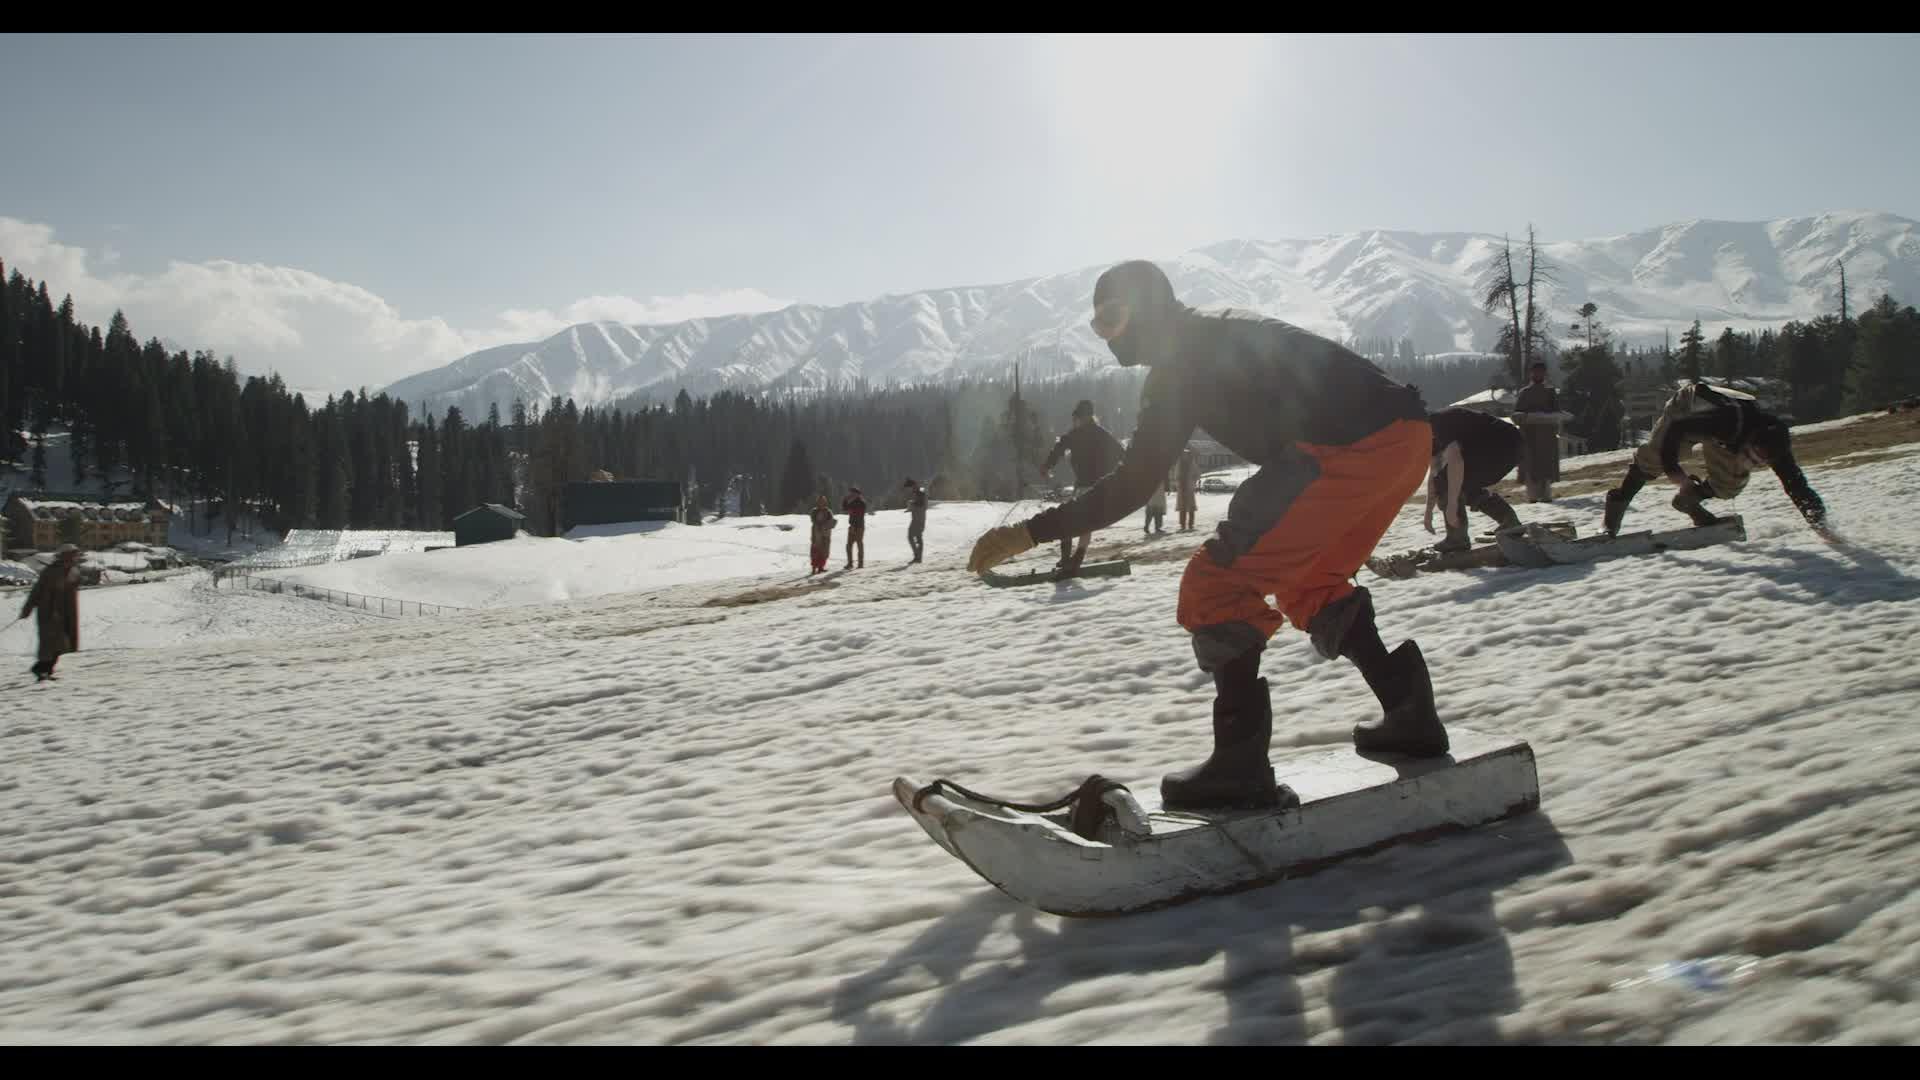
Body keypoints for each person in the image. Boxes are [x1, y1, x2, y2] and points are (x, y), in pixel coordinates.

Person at [967, 260, 1442, 812]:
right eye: (1099, 326)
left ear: (1146, 309)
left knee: (1214, 584)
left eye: (1115, 318)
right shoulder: (1203, 337)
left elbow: (1133, 484)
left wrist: (1029, 532)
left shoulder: (1180, 364)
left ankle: (1239, 767)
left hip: (1349, 445)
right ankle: (1408, 710)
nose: (1110, 336)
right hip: (1405, 436)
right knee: (1310, 582)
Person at [1602, 381, 1829, 539]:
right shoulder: (1724, 422)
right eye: (1749, 456)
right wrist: (1678, 477)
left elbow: (1798, 487)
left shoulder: (1776, 448)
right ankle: (1616, 509)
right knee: (1654, 458)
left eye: (1757, 462)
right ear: (1748, 441)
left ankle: (1688, 501)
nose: (1749, 462)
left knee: (1729, 485)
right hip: (1689, 408)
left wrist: (1821, 525)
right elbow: (1676, 432)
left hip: (1729, 428)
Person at [1424, 407, 1524, 552]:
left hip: (1501, 445)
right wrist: (1428, 512)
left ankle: (1457, 539)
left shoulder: (1438, 422)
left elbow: (1455, 462)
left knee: (1451, 482)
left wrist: (1451, 506)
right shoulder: (1429, 433)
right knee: (1461, 484)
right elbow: (1434, 472)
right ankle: (1510, 522)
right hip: (1511, 446)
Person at [1040, 399, 1123, 572]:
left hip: (1089, 487)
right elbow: (1121, 453)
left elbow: (1058, 448)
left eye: (1076, 418)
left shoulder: (1076, 435)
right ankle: (1073, 559)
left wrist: (1047, 467)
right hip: (1096, 487)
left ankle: (1069, 560)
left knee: (1073, 521)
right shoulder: (1101, 434)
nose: (1074, 421)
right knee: (1084, 523)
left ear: (1083, 417)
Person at [21, 545, 81, 682]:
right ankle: (41, 670)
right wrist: (27, 609)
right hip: (49, 612)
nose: (74, 558)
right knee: (49, 644)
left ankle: (46, 670)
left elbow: (74, 588)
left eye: (75, 555)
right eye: (71, 555)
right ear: (63, 556)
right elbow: (36, 591)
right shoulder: (50, 572)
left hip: (66, 613)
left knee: (63, 644)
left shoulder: (74, 571)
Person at [1512, 361, 1562, 502]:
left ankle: (1546, 495)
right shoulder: (1525, 393)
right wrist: (1525, 417)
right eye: (1535, 372)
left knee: (1546, 466)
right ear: (1531, 373)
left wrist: (1549, 418)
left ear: (1544, 373)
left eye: (1541, 371)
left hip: (1546, 436)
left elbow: (1557, 412)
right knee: (1530, 466)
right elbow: (1516, 414)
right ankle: (1532, 496)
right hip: (1529, 436)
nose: (1538, 374)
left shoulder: (1550, 392)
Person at [842, 486, 870, 569]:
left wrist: (854, 526)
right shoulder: (852, 502)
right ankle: (850, 563)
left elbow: (859, 516)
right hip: (853, 526)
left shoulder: (861, 503)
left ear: (857, 494)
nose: (851, 494)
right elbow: (844, 508)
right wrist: (845, 499)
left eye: (853, 493)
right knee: (849, 545)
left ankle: (860, 563)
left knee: (859, 544)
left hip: (859, 526)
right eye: (851, 493)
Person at [808, 496, 836, 575]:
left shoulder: (828, 511)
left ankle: (821, 567)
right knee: (815, 550)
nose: (821, 503)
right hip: (816, 532)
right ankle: (814, 568)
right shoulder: (814, 511)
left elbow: (831, 520)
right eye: (820, 501)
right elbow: (813, 520)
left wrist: (828, 524)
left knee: (824, 550)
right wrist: (820, 524)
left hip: (826, 533)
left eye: (823, 501)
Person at [903, 477, 928, 563]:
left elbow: (921, 504)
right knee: (917, 537)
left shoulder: (920, 493)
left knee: (913, 537)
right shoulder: (918, 492)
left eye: (908, 487)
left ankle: (917, 556)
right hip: (918, 518)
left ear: (912, 486)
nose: (908, 490)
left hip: (918, 518)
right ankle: (918, 557)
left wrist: (912, 504)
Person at [1176, 446, 1200, 531]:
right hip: (1182, 488)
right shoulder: (1179, 463)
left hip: (1189, 488)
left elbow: (1197, 474)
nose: (1184, 456)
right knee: (1182, 508)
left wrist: (1193, 481)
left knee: (1191, 507)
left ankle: (1191, 524)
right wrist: (1178, 481)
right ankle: (1182, 524)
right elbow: (1176, 475)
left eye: (1186, 454)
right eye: (1183, 454)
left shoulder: (1192, 463)